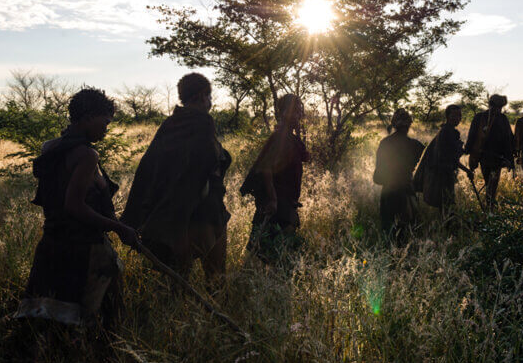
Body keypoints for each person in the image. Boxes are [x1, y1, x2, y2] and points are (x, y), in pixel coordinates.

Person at [16, 87, 140, 327]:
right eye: (105, 122)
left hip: (52, 243)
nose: (106, 129)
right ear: (88, 117)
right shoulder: (87, 155)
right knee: (106, 318)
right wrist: (119, 228)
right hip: (84, 248)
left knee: (50, 318)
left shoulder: (49, 147)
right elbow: (74, 206)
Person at [121, 72, 231, 282]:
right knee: (216, 274)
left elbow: (149, 167)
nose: (210, 101)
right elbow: (206, 162)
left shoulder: (170, 124)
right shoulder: (203, 122)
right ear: (201, 96)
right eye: (209, 96)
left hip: (172, 213)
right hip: (204, 209)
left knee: (177, 277)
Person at [241, 94, 310, 261]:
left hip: (285, 202)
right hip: (278, 204)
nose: (298, 115)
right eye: (294, 111)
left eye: (299, 111)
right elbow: (266, 168)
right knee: (273, 255)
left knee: (275, 254)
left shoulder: (289, 137)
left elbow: (304, 157)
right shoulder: (280, 138)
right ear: (283, 113)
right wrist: (272, 199)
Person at [414, 104, 473, 217]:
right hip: (443, 175)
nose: (457, 118)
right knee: (447, 203)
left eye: (459, 116)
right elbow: (450, 158)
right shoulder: (447, 132)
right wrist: (467, 170)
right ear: (447, 116)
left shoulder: (448, 131)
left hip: (444, 173)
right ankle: (447, 224)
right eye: (454, 115)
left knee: (445, 204)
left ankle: (446, 222)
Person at [373, 108, 425, 236]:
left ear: (394, 124)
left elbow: (378, 176)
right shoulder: (416, 145)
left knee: (389, 228)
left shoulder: (385, 143)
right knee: (408, 229)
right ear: (409, 125)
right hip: (407, 189)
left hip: (389, 190)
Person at [464, 94, 515, 209]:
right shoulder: (480, 118)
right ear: (490, 105)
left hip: (498, 158)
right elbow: (472, 135)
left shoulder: (502, 119)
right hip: (484, 157)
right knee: (489, 183)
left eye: (500, 107)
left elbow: (508, 139)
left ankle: (490, 207)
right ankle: (490, 208)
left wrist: (510, 159)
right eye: (497, 106)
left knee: (492, 184)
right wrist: (468, 151)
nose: (498, 109)